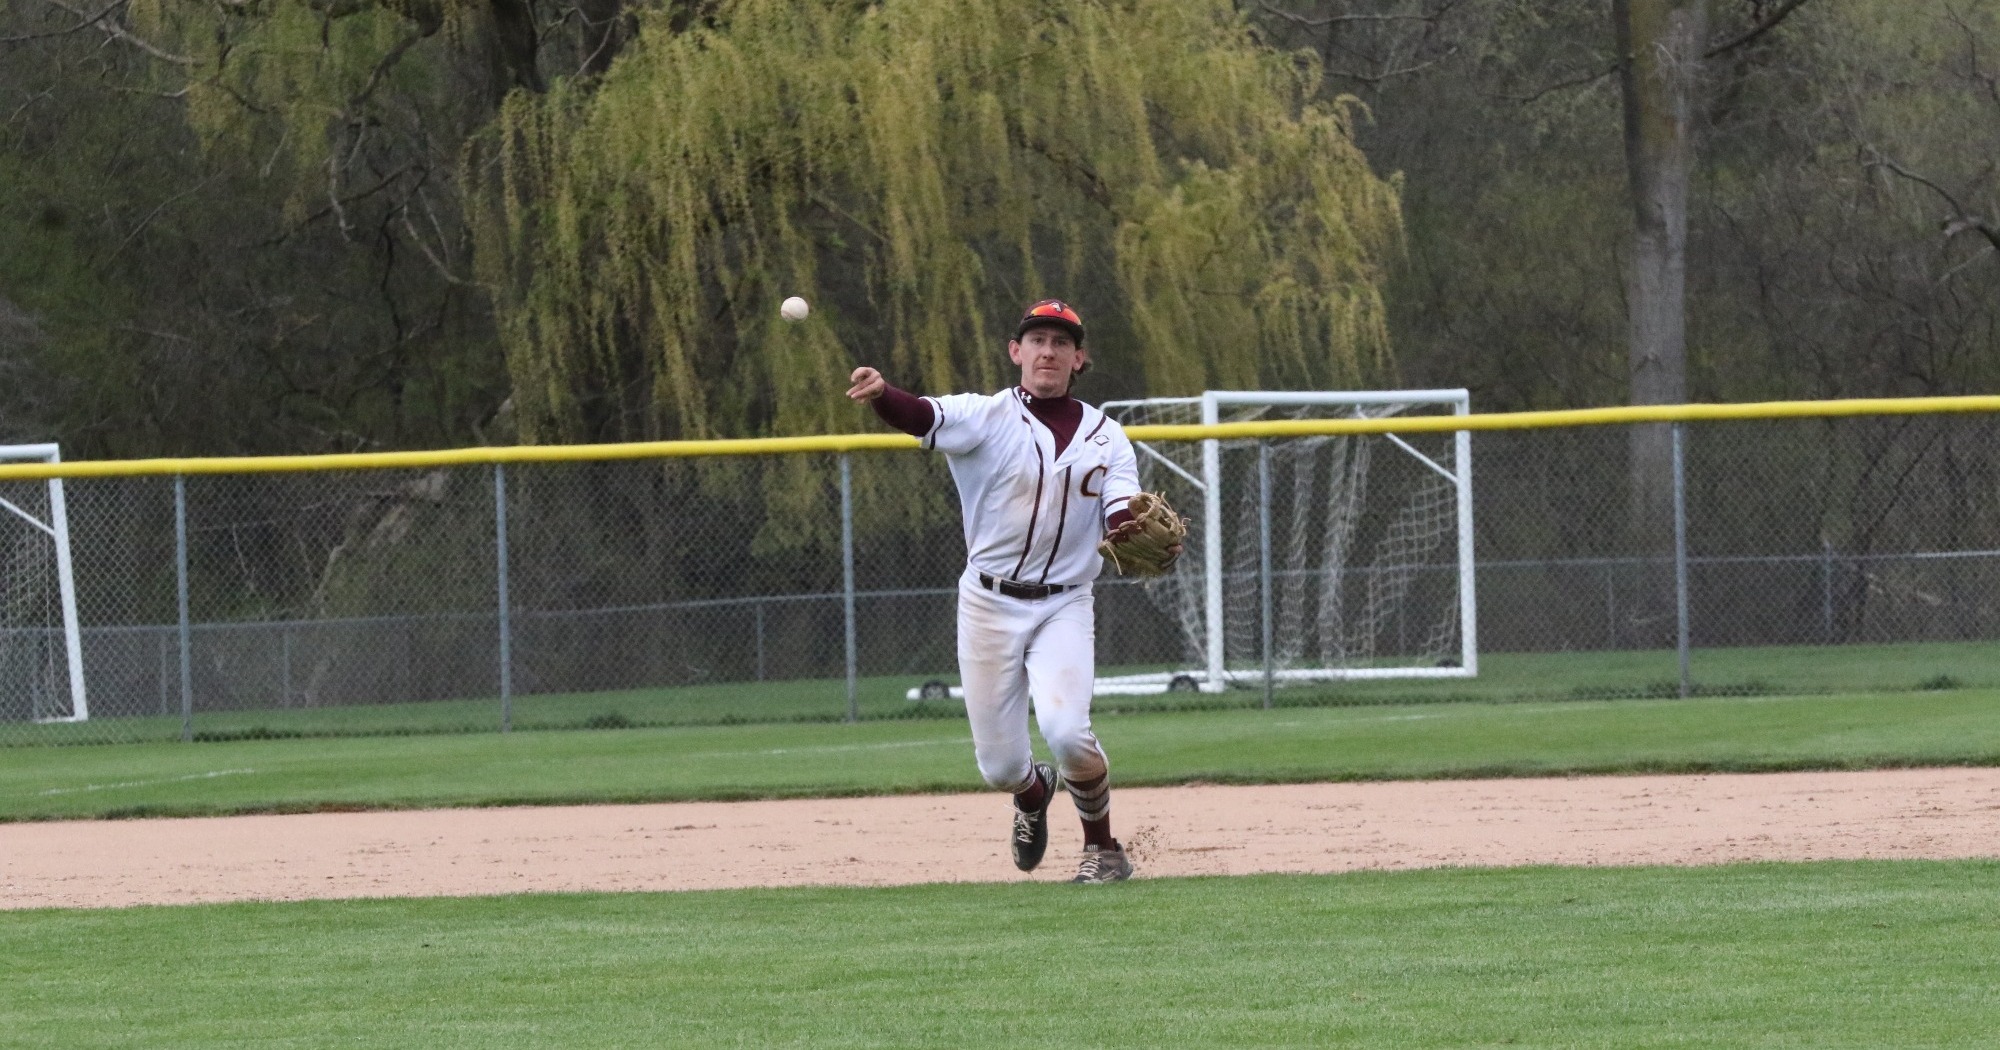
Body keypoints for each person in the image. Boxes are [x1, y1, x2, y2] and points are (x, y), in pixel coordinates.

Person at [846, 298, 1164, 884]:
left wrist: (1126, 528)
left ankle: (1104, 850)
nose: (1049, 350)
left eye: (1061, 342)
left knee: (1068, 731)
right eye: (1037, 340)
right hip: (988, 603)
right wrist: (882, 393)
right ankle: (1032, 789)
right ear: (1016, 353)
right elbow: (921, 415)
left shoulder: (1107, 435)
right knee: (998, 767)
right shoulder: (985, 415)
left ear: (1079, 358)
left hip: (1066, 601)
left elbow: (1121, 506)